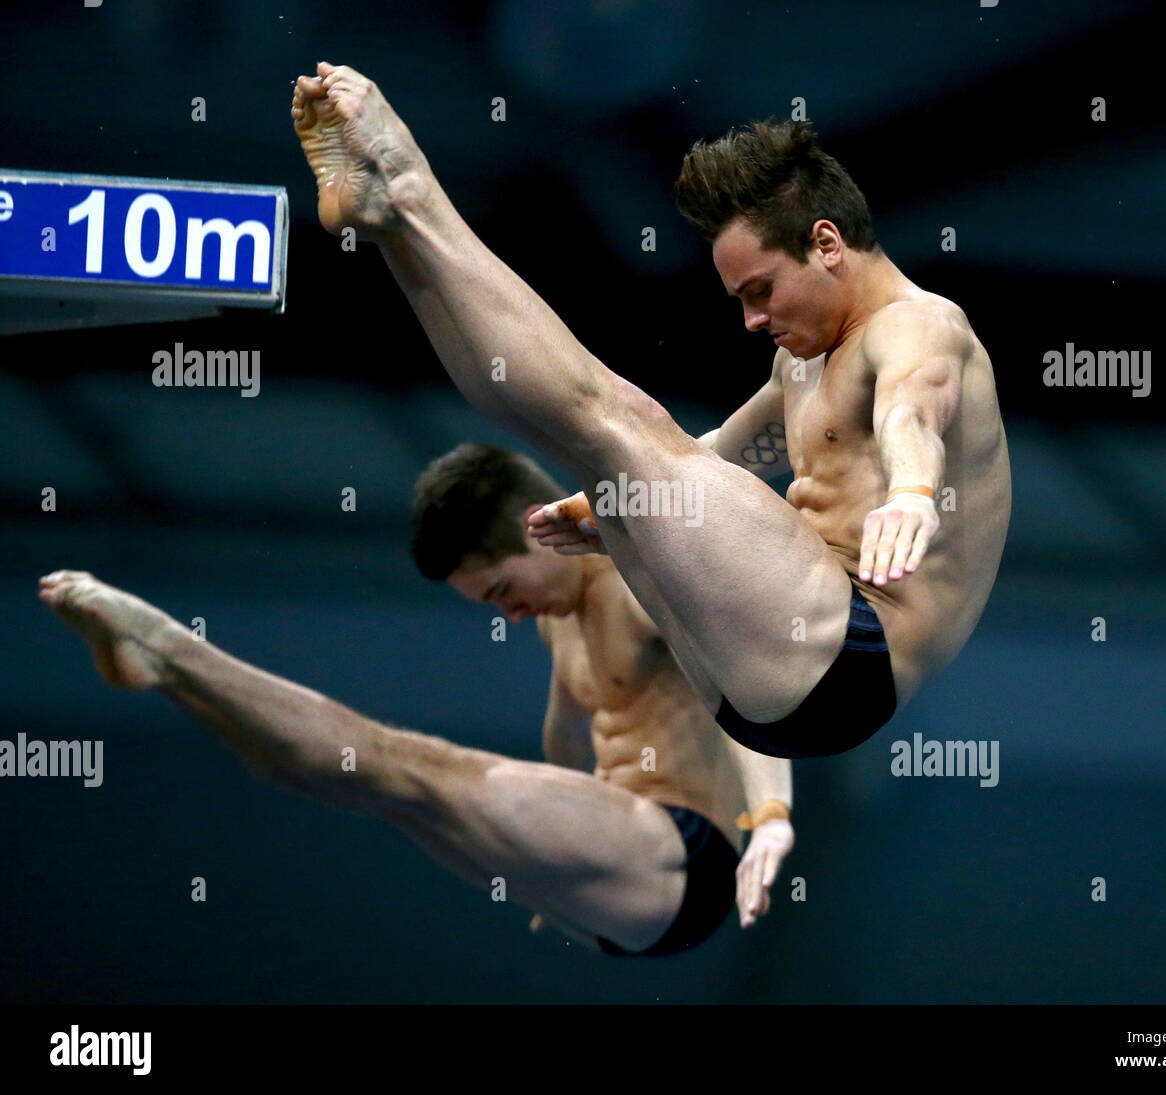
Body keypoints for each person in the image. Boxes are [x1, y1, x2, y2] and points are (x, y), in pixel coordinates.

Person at [291, 62, 1011, 759]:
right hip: (762, 685)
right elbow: (726, 452)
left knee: (611, 417)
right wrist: (625, 508)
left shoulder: (919, 325)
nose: (752, 320)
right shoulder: (805, 359)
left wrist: (913, 493)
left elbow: (912, 410)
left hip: (850, 654)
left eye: (761, 291)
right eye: (741, 300)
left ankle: (411, 186)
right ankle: (391, 229)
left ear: (826, 244)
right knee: (585, 445)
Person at [36, 445, 794, 957]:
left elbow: (744, 695)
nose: (509, 613)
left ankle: (171, 646)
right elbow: (567, 731)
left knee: (406, 763)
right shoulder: (558, 618)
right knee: (352, 783)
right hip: (617, 871)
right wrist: (554, 854)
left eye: (503, 588)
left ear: (538, 528)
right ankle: (164, 675)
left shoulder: (637, 583)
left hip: (688, 856)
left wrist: (770, 814)